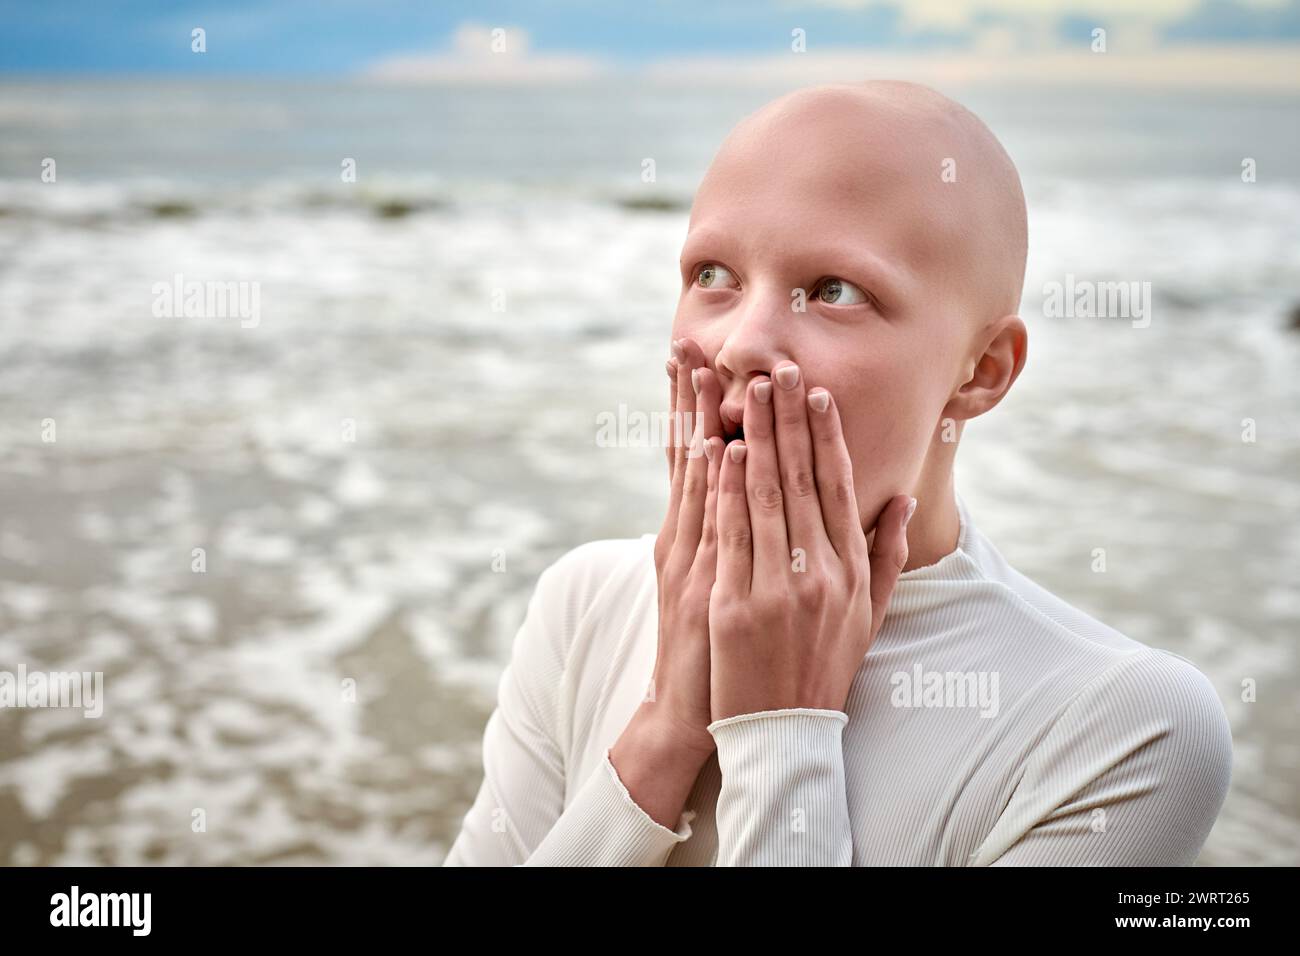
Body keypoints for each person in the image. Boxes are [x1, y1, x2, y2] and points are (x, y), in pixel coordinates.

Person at [441, 81, 1233, 866]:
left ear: (983, 370)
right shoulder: (586, 605)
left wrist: (779, 729)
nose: (740, 345)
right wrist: (662, 733)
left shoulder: (1125, 728)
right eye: (713, 275)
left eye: (834, 291)